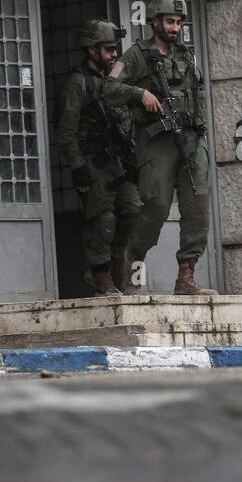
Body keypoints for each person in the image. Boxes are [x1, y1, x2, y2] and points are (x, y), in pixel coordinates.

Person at [109, 0, 216, 295]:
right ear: (155, 22)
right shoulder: (136, 55)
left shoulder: (187, 55)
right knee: (155, 207)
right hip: (157, 141)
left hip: (192, 140)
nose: (175, 28)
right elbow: (109, 89)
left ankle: (186, 276)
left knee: (198, 208)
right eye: (170, 21)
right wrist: (139, 95)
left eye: (179, 22)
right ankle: (134, 259)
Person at [51, 20, 161, 296]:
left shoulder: (114, 81)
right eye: (109, 49)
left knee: (133, 211)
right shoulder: (78, 84)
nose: (114, 55)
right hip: (93, 162)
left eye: (115, 49)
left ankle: (119, 273)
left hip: (119, 161)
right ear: (91, 50)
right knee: (103, 218)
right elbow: (66, 131)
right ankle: (100, 277)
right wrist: (78, 168)